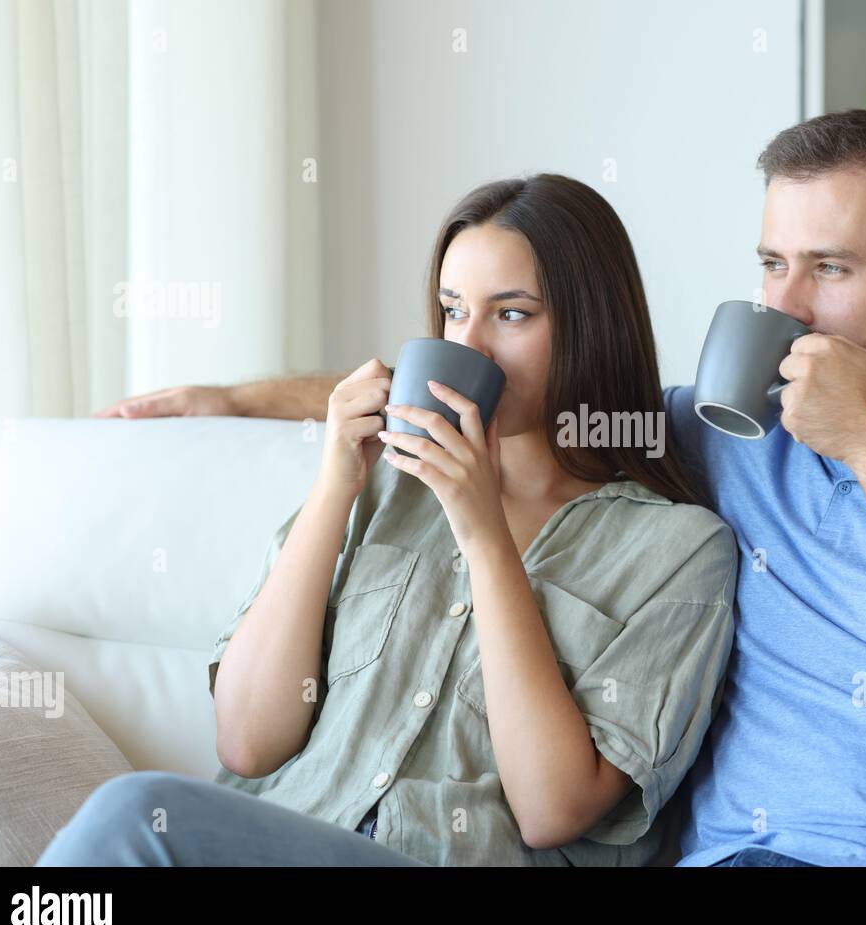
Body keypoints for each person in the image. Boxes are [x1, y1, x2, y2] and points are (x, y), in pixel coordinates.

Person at [87, 109, 866, 868]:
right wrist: (238, 395)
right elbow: (514, 390)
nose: (784, 305)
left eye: (827, 269)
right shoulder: (724, 431)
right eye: (769, 263)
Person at [38, 174, 739, 867]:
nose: (472, 346)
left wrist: (483, 535)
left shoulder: (678, 551)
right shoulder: (381, 490)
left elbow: (551, 811)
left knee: (134, 815)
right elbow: (248, 742)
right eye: (452, 310)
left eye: (513, 313)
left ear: (593, 324)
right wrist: (335, 486)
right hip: (286, 841)